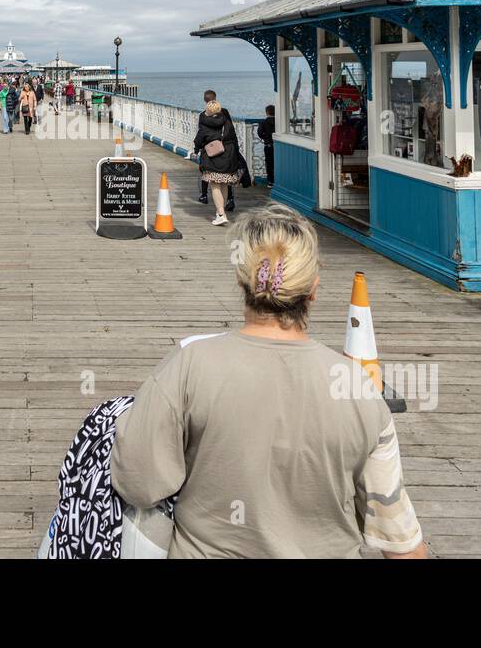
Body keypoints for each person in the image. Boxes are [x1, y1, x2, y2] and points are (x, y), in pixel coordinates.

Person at [110, 204, 426, 558]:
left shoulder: (190, 366)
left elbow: (138, 482)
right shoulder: (358, 388)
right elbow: (397, 535)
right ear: (314, 290)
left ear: (241, 281)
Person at [193, 95, 238, 225]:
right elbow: (233, 138)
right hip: (228, 156)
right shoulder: (227, 122)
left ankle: (220, 214)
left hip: (213, 158)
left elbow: (199, 141)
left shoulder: (205, 124)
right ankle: (221, 211)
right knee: (223, 184)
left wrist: (196, 149)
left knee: (214, 185)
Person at [258, 104, 275, 186]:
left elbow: (259, 133)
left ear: (267, 112)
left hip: (268, 145)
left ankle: (270, 181)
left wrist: (265, 138)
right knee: (277, 162)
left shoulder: (264, 122)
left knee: (269, 163)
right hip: (278, 145)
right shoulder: (279, 121)